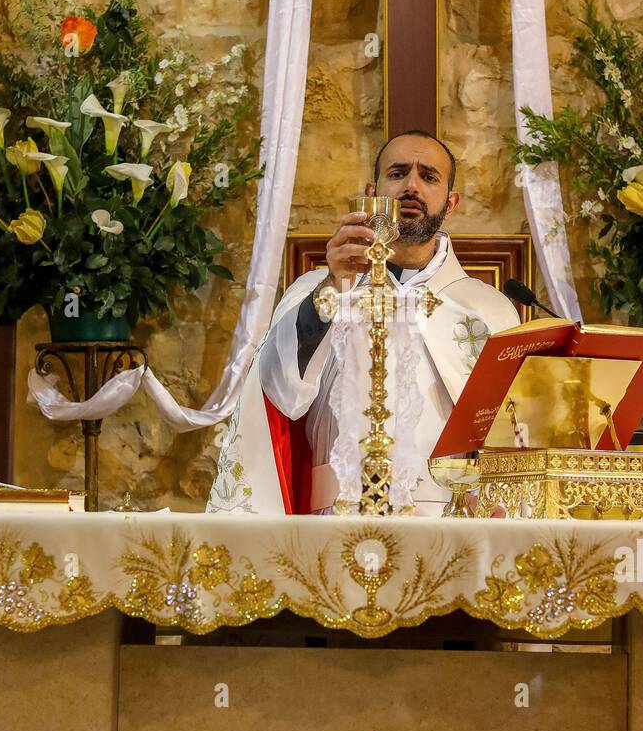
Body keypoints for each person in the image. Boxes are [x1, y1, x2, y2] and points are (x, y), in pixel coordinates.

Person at [207, 129, 519, 515]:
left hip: (450, 522)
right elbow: (281, 392)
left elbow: (512, 443)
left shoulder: (490, 310)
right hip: (337, 517)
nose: (411, 186)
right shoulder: (317, 289)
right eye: (398, 173)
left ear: (450, 203)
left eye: (429, 176)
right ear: (373, 191)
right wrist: (333, 288)